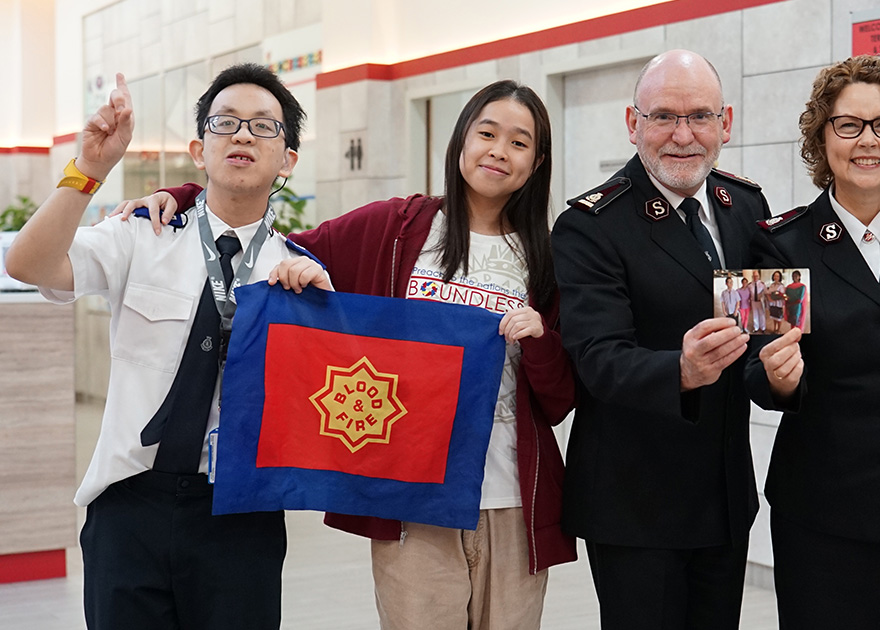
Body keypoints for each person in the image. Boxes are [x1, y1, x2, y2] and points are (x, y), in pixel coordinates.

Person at [123, 80, 577, 630]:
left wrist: (541, 345)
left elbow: (558, 401)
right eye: (486, 133)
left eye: (519, 142)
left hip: (512, 499)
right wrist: (191, 196)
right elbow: (272, 241)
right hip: (412, 499)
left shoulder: (549, 257)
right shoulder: (401, 227)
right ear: (461, 141)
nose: (498, 151)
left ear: (537, 162)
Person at [5, 64, 327, 629]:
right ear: (200, 151)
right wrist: (89, 170)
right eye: (226, 123)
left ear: (289, 160)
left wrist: (317, 316)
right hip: (130, 503)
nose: (244, 135)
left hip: (242, 513)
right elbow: (29, 264)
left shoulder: (299, 276)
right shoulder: (141, 234)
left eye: (264, 127)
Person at [744, 55, 880, 629]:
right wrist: (777, 377)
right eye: (848, 125)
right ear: (823, 136)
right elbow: (751, 370)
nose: (867, 141)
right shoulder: (778, 244)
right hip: (818, 517)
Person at [551, 49, 770, 628]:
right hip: (635, 504)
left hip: (723, 496)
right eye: (663, 117)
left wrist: (779, 371)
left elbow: (762, 336)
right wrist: (681, 370)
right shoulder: (590, 225)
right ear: (633, 124)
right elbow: (597, 359)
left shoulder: (745, 206)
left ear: (726, 122)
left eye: (700, 116)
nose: (683, 135)